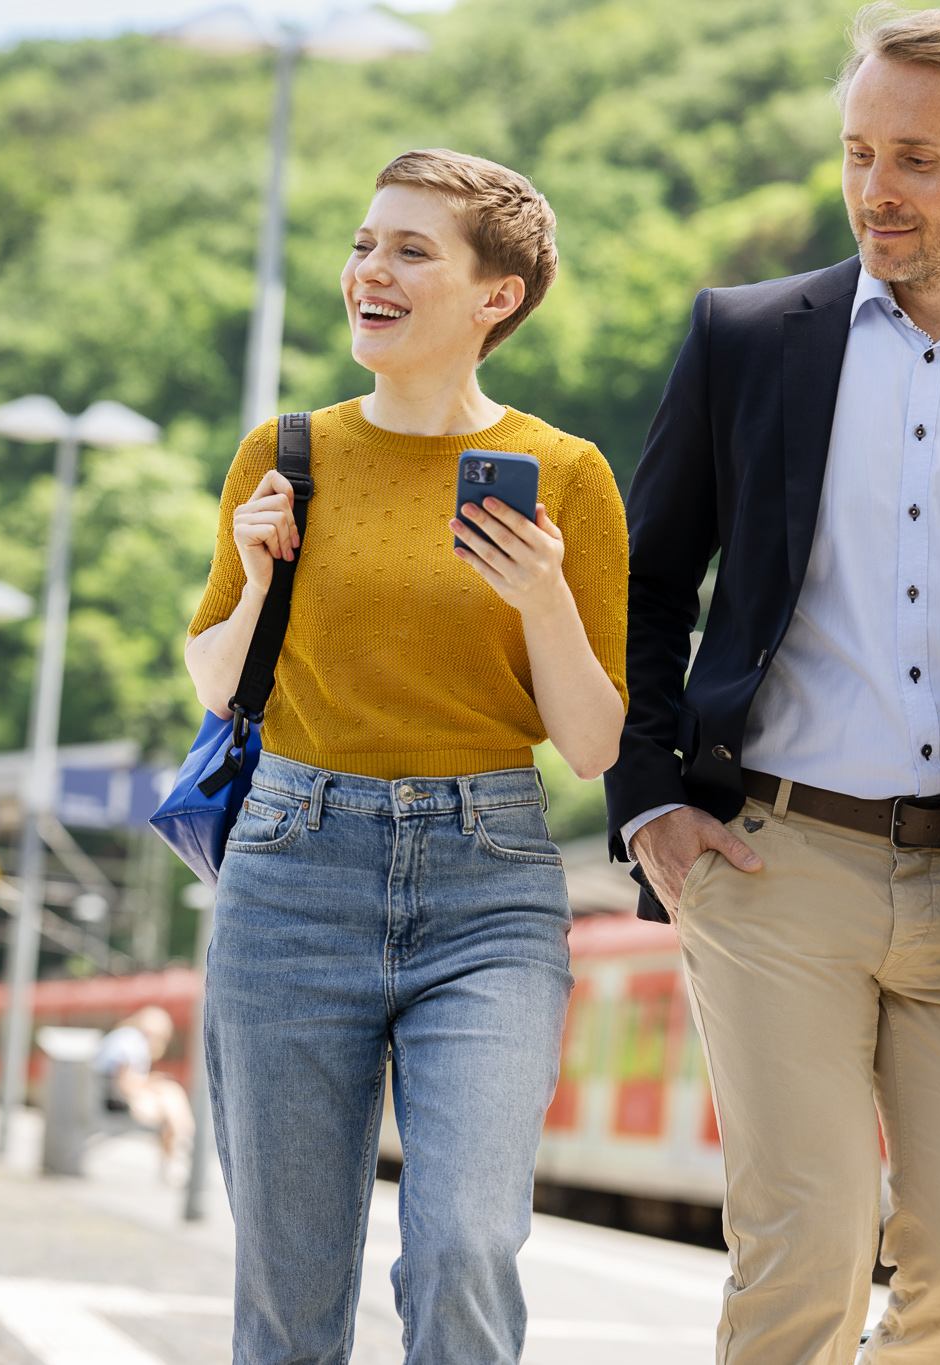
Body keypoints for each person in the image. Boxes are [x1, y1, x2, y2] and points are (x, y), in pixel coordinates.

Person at [185, 149, 627, 1362]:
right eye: (363, 244)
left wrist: (541, 595)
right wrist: (256, 575)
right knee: (287, 1291)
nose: (368, 270)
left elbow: (591, 742)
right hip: (291, 867)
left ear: (497, 296)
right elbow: (218, 682)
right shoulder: (283, 451)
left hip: (487, 886)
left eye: (410, 251)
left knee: (463, 1248)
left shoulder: (567, 477)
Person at [607, 8, 940, 1359]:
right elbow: (645, 583)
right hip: (775, 861)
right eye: (858, 153)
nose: (877, 189)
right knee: (804, 1252)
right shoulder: (750, 337)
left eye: (918, 160)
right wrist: (647, 802)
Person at [92, 1006, 193, 1178]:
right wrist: (152, 1083)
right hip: (115, 1101)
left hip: (108, 1095)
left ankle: (178, 1145)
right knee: (169, 1096)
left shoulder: (126, 1037)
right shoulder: (131, 1040)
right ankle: (180, 1142)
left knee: (169, 1095)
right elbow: (125, 1084)